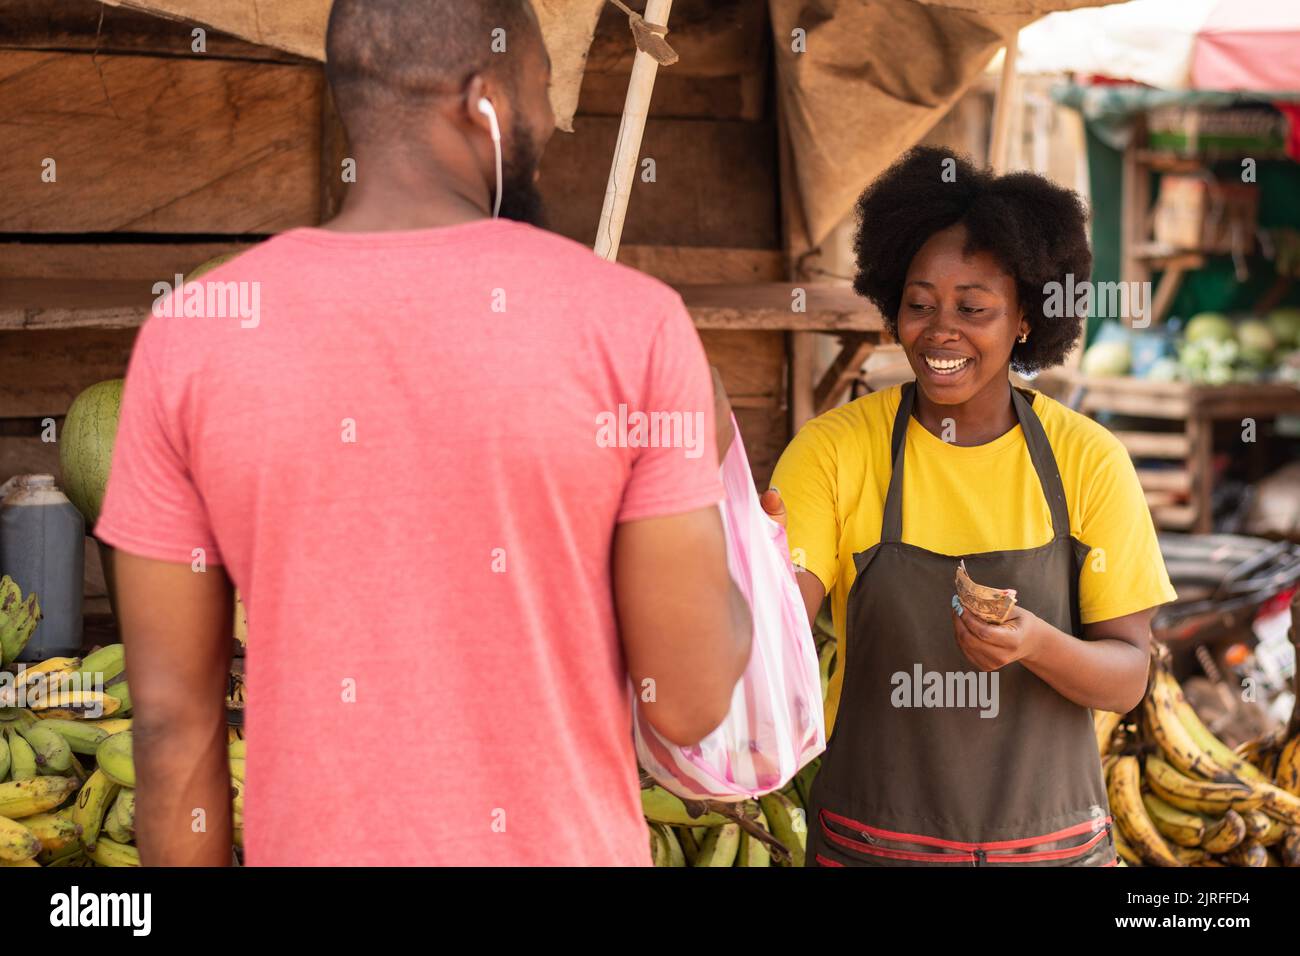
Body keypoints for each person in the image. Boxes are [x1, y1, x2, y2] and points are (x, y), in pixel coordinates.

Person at [95, 0, 752, 867]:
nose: (548, 126)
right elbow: (690, 701)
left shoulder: (192, 336)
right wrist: (734, 541)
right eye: (542, 90)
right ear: (485, 102)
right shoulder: (633, 326)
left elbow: (172, 727)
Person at [771, 147, 1176, 867]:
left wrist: (1037, 645)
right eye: (919, 304)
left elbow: (1126, 678)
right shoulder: (834, 451)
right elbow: (776, 633)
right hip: (872, 848)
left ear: (1024, 318)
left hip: (1051, 852)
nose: (940, 331)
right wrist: (743, 567)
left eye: (973, 308)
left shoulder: (1087, 460)